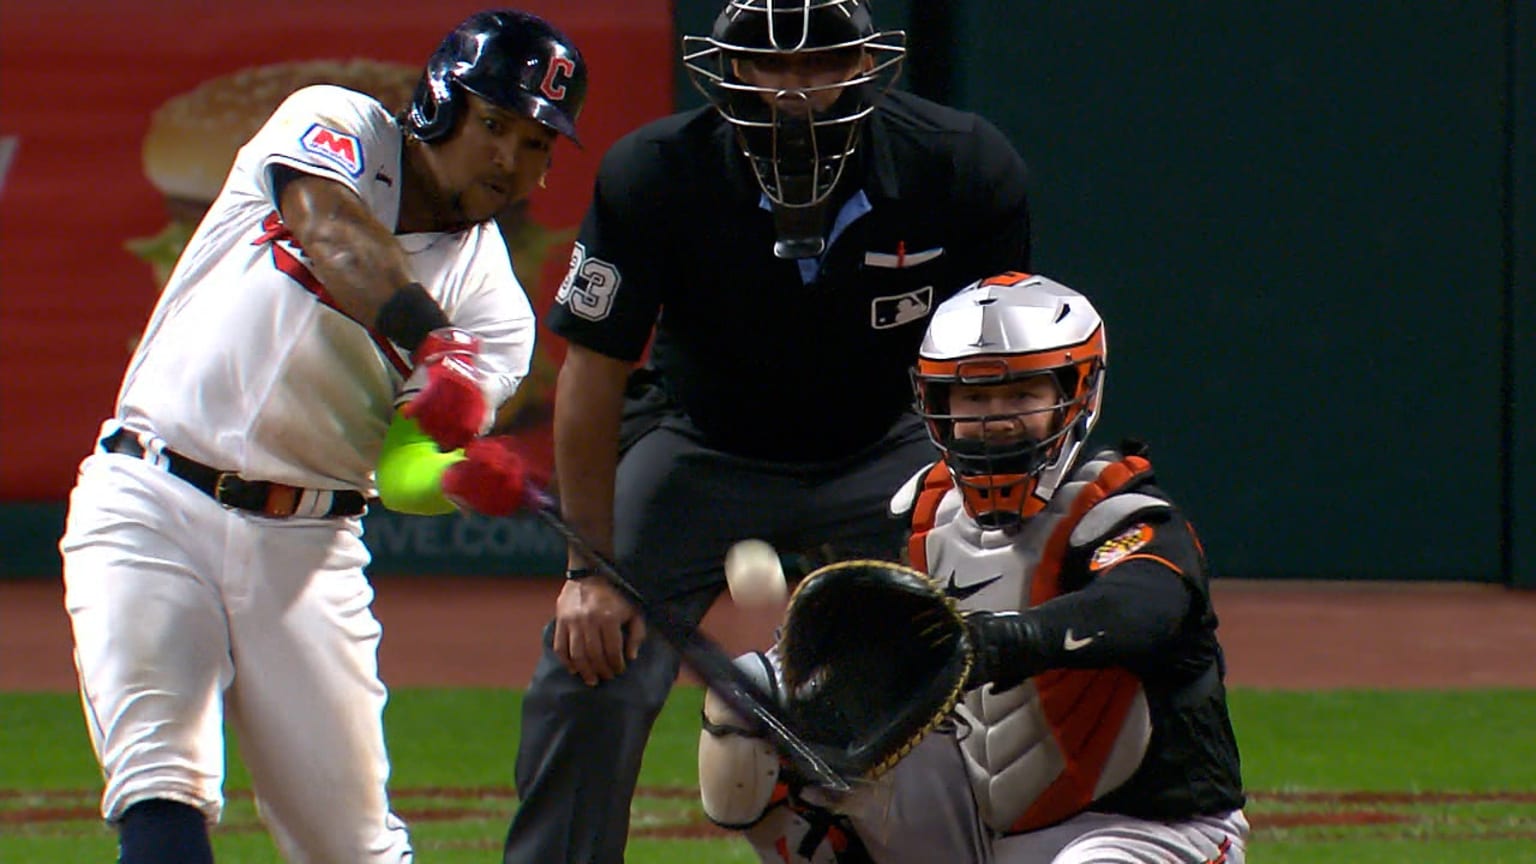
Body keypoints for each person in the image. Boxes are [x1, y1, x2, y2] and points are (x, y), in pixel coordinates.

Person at [501, 1, 1032, 861]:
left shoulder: (962, 167)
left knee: (976, 654)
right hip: (697, 448)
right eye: (771, 64)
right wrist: (588, 573)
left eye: (820, 62)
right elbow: (593, 370)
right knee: (587, 661)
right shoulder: (656, 171)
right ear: (731, 69)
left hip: (887, 449)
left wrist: (984, 522)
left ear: (866, 61)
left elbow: (1006, 362)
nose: (795, 89)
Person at [57, 10, 586, 863]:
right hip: (149, 497)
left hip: (306, 549)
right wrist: (431, 341)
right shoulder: (337, 120)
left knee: (352, 848)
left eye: (535, 144)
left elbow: (403, 465)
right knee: (162, 790)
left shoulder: (497, 309)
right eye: (494, 124)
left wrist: (453, 477)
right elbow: (330, 226)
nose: (508, 160)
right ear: (441, 104)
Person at [698, 271, 1249, 863]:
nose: (996, 419)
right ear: (939, 405)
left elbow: (1142, 609)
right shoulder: (918, 517)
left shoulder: (1124, 515)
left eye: (1022, 395)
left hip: (1146, 831)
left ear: (1079, 392)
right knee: (755, 716)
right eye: (975, 399)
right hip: (984, 829)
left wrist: (999, 639)